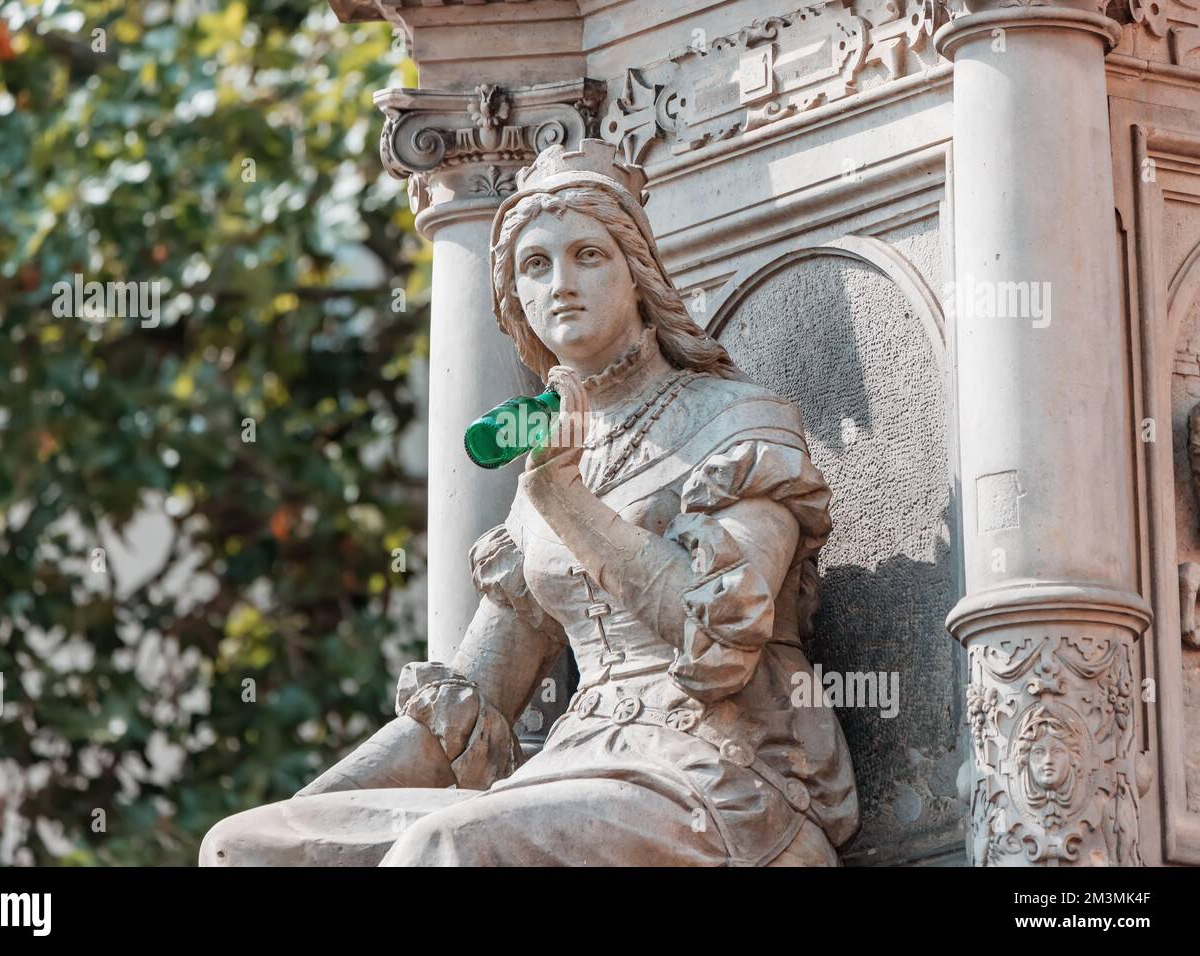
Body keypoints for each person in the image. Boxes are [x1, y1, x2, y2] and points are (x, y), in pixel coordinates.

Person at [200, 140, 859, 866]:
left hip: (721, 776)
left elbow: (720, 640)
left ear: (638, 274)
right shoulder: (551, 453)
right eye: (535, 267)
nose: (560, 285)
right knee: (246, 848)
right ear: (515, 298)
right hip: (573, 769)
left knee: (443, 845)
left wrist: (563, 497)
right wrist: (310, 817)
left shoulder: (739, 424)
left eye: (588, 255)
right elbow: (474, 699)